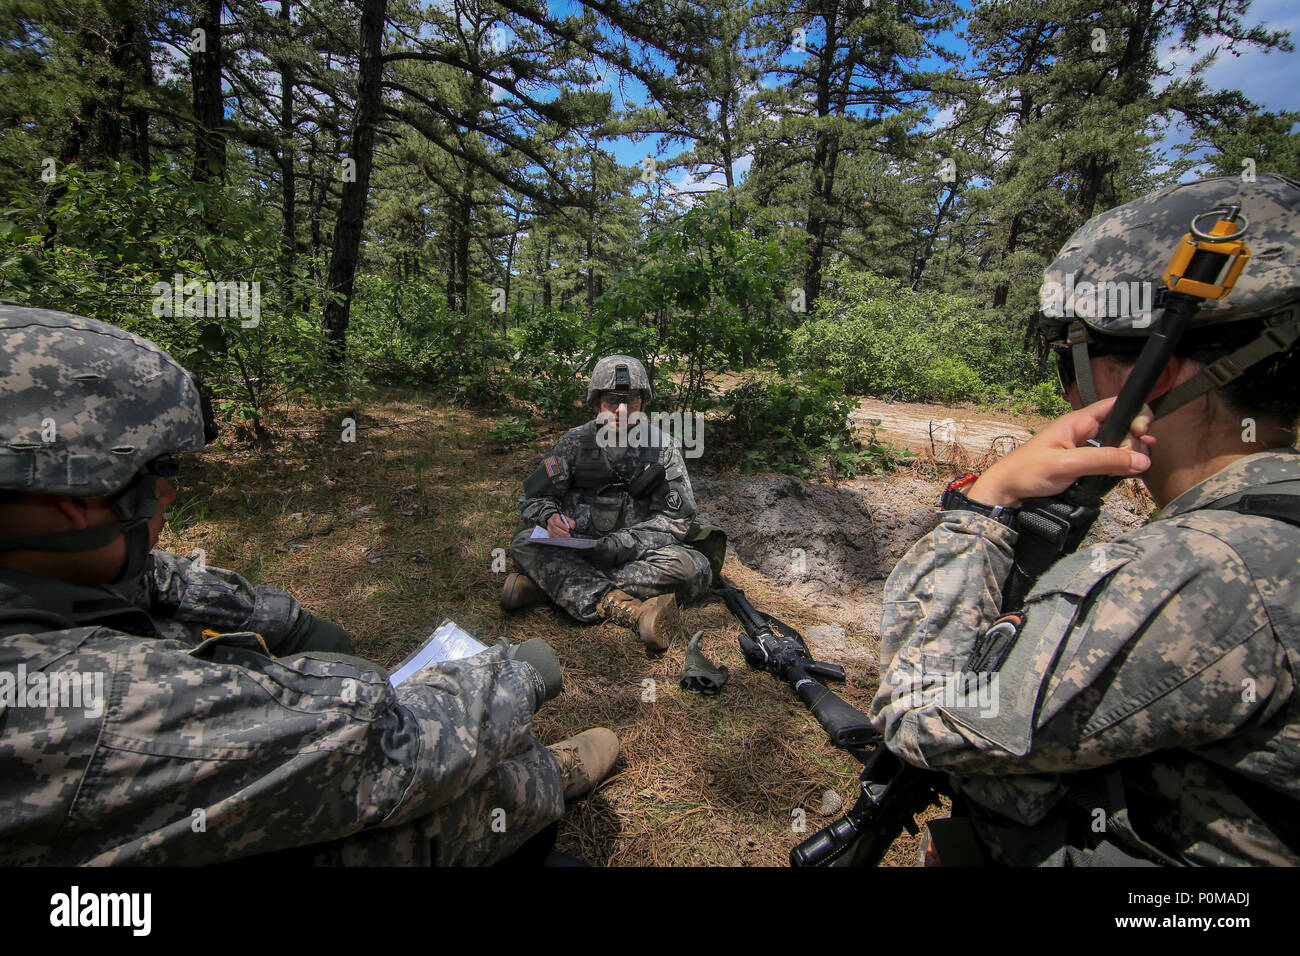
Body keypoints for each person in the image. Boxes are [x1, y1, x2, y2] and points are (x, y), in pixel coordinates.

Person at [0, 304, 618, 865]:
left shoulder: (45, 572)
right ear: (69, 498)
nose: (169, 491)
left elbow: (159, 582)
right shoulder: (76, 701)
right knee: (402, 823)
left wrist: (288, 624)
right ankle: (537, 779)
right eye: (155, 470)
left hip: (621, 549)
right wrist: (520, 672)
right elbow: (385, 746)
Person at [870, 174, 1300, 866]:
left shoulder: (1204, 570)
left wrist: (982, 507)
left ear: (1149, 377)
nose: (1063, 387)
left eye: (1063, 355)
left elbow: (920, 716)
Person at [502, 354, 712, 651]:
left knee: (693, 570)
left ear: (645, 403)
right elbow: (533, 497)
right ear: (595, 402)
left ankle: (546, 586)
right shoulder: (575, 443)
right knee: (524, 542)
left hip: (635, 552)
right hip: (579, 547)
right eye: (613, 400)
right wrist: (550, 516)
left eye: (632, 400)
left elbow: (676, 520)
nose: (623, 410)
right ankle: (620, 605)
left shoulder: (663, 448)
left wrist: (621, 545)